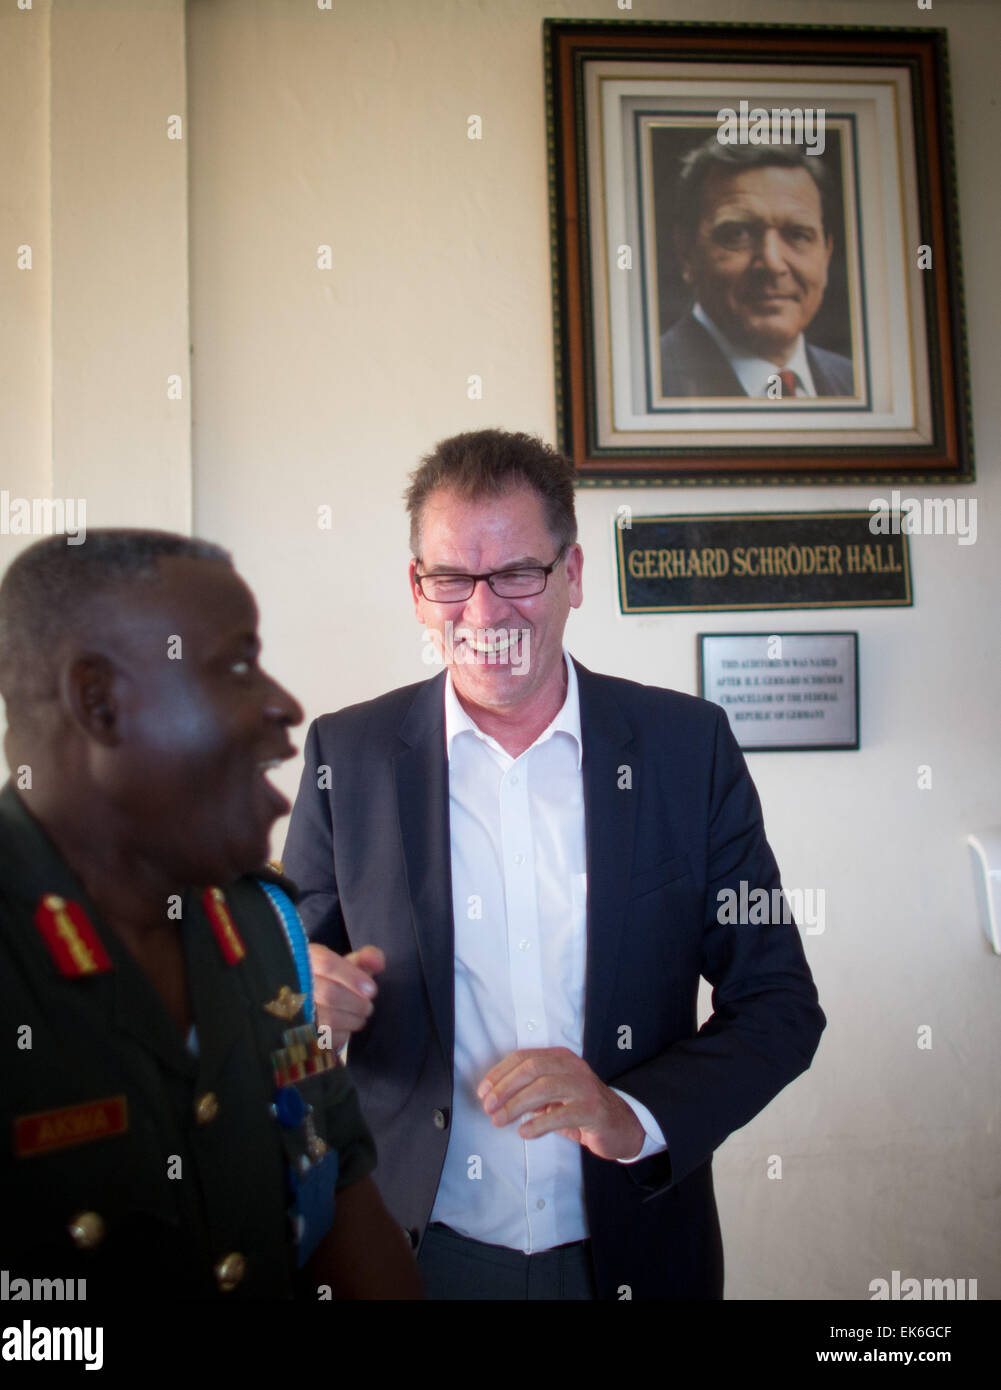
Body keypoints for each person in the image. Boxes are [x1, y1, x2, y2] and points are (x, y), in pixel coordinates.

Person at [283, 429, 826, 1299]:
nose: (485, 613)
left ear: (573, 574)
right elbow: (288, 1008)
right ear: (418, 592)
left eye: (518, 575)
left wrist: (630, 1117)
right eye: (453, 579)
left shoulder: (687, 750)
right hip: (407, 1254)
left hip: (632, 1250)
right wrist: (309, 1012)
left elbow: (779, 1005)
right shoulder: (343, 757)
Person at [0, 530, 423, 1301]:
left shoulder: (259, 924)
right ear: (98, 701)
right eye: (237, 665)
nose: (285, 704)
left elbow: (338, 1190)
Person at [659, 141, 854, 400]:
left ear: (826, 253)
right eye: (738, 234)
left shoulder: (855, 382)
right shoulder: (645, 383)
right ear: (687, 254)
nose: (773, 264)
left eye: (798, 235)